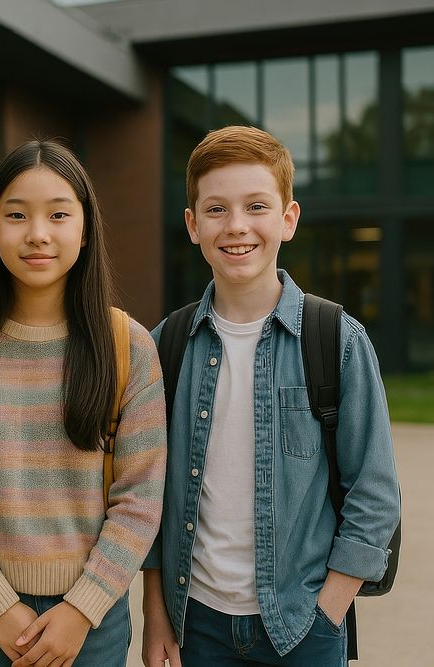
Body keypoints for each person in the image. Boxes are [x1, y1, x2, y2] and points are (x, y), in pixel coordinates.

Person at [141, 125, 401, 667]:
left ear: (288, 218)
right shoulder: (167, 343)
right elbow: (150, 496)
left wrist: (327, 610)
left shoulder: (338, 341)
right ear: (192, 225)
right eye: (216, 209)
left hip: (303, 624)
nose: (236, 226)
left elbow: (374, 494)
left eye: (256, 206)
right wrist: (157, 612)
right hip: (196, 625)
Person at [0, 140, 167, 666]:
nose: (37, 233)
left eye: (58, 214)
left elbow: (141, 498)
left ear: (84, 228)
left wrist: (83, 607)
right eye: (16, 215)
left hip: (92, 619)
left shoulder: (129, 348)